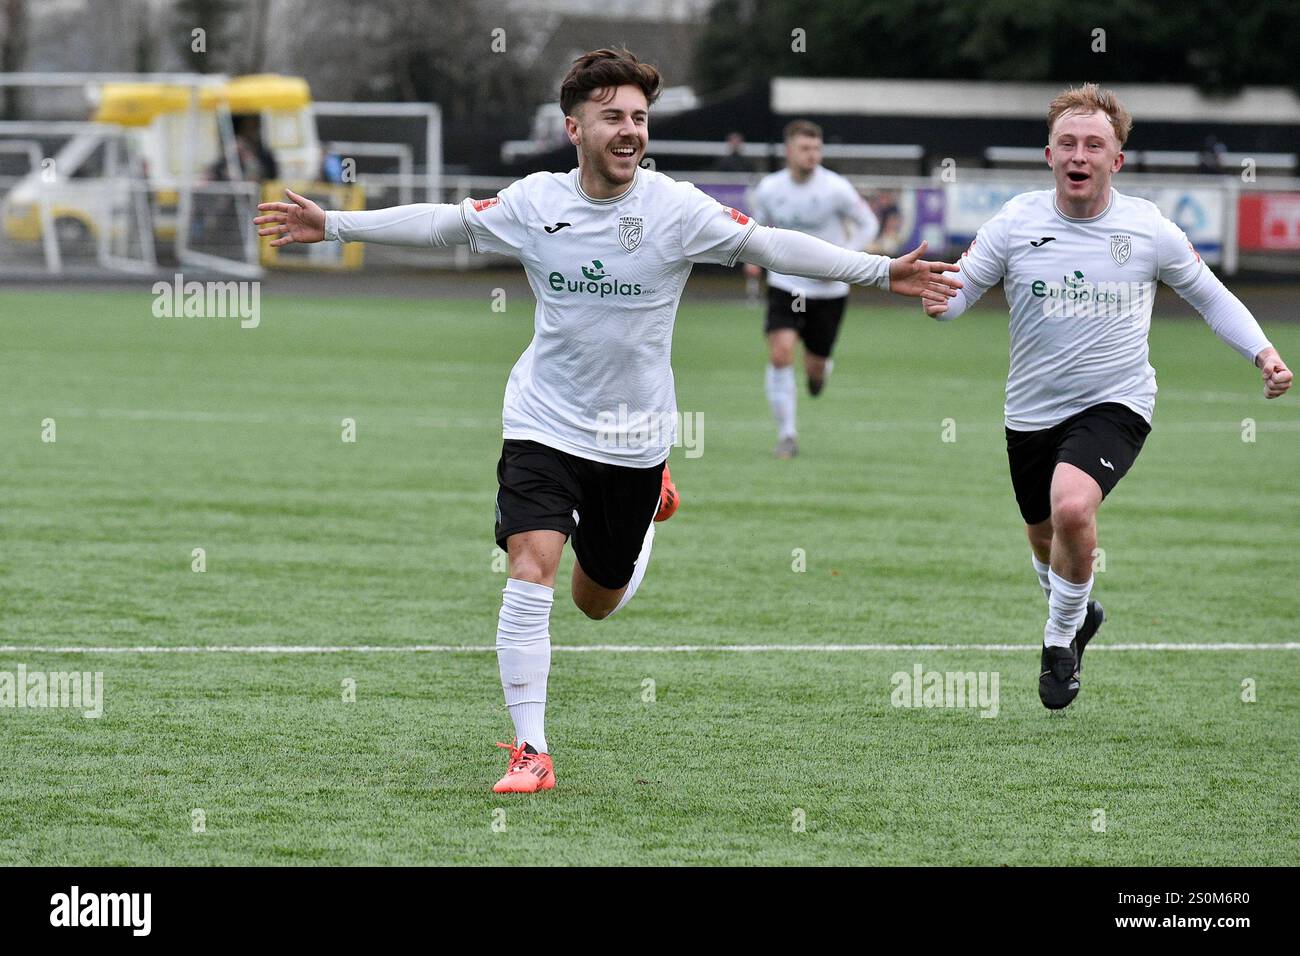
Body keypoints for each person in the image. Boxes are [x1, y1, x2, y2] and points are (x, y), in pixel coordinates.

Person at [255, 48, 960, 792]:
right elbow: (446, 225)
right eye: (612, 117)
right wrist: (333, 222)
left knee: (596, 602)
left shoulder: (676, 209)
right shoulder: (536, 202)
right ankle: (532, 750)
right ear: (574, 128)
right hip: (543, 422)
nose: (629, 132)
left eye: (639, 119)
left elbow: (770, 244)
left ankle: (651, 502)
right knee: (532, 564)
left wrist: (880, 271)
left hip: (634, 438)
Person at [923, 83, 1292, 710]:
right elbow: (960, 292)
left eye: (1095, 144)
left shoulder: (1147, 229)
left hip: (1116, 402)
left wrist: (1262, 351)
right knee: (1045, 537)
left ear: (1115, 161)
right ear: (1049, 155)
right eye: (1068, 142)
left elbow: (1210, 296)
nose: (1080, 153)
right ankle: (1078, 613)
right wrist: (940, 301)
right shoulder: (1016, 223)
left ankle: (1058, 640)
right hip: (1031, 412)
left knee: (1072, 509)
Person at [745, 120, 879, 458]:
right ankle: (787, 435)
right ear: (789, 151)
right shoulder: (769, 189)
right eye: (805, 148)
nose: (812, 155)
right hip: (786, 285)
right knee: (780, 354)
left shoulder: (836, 188)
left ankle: (819, 373)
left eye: (817, 148)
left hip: (828, 292)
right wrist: (752, 257)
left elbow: (868, 223)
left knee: (815, 370)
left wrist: (845, 258)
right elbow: (756, 228)